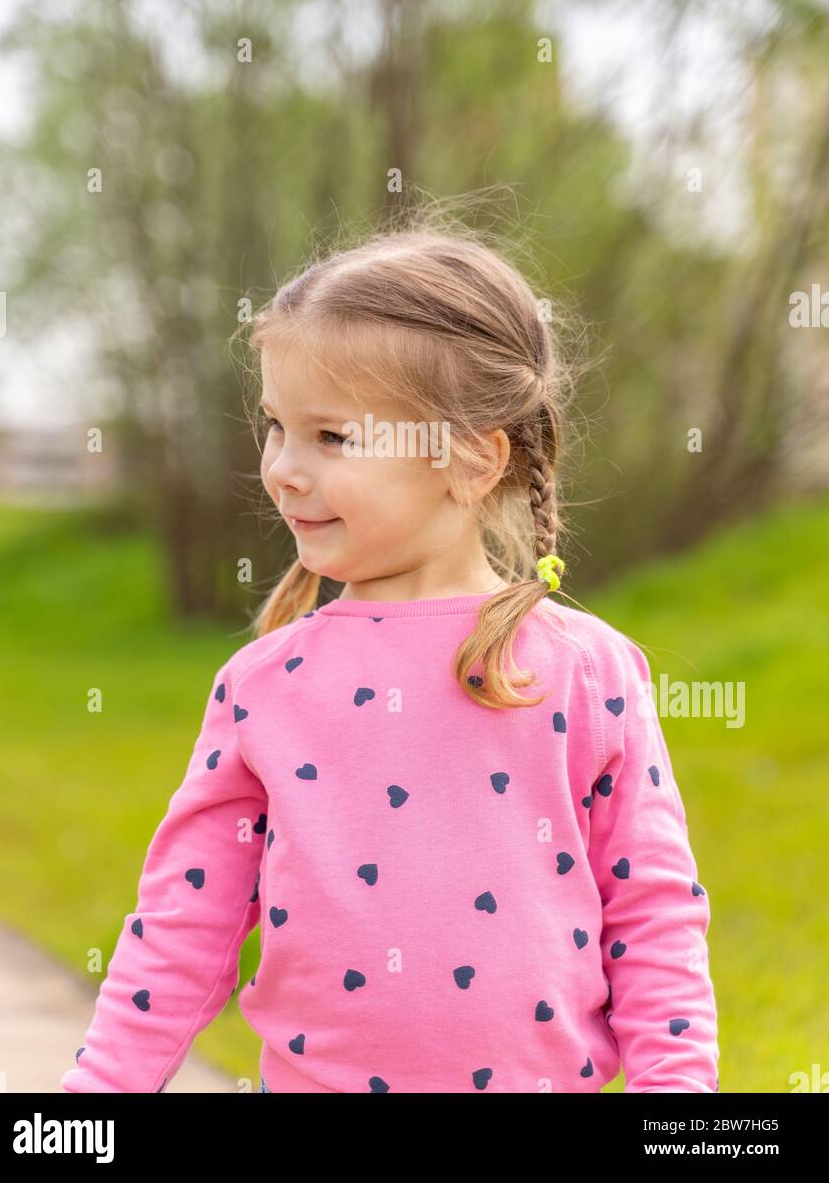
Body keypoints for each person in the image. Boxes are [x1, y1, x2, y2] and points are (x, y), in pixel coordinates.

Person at [60, 217, 719, 1094]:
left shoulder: (586, 674)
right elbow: (185, 926)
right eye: (275, 427)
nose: (284, 469)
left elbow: (653, 915)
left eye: (332, 438)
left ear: (473, 461)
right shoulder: (264, 688)